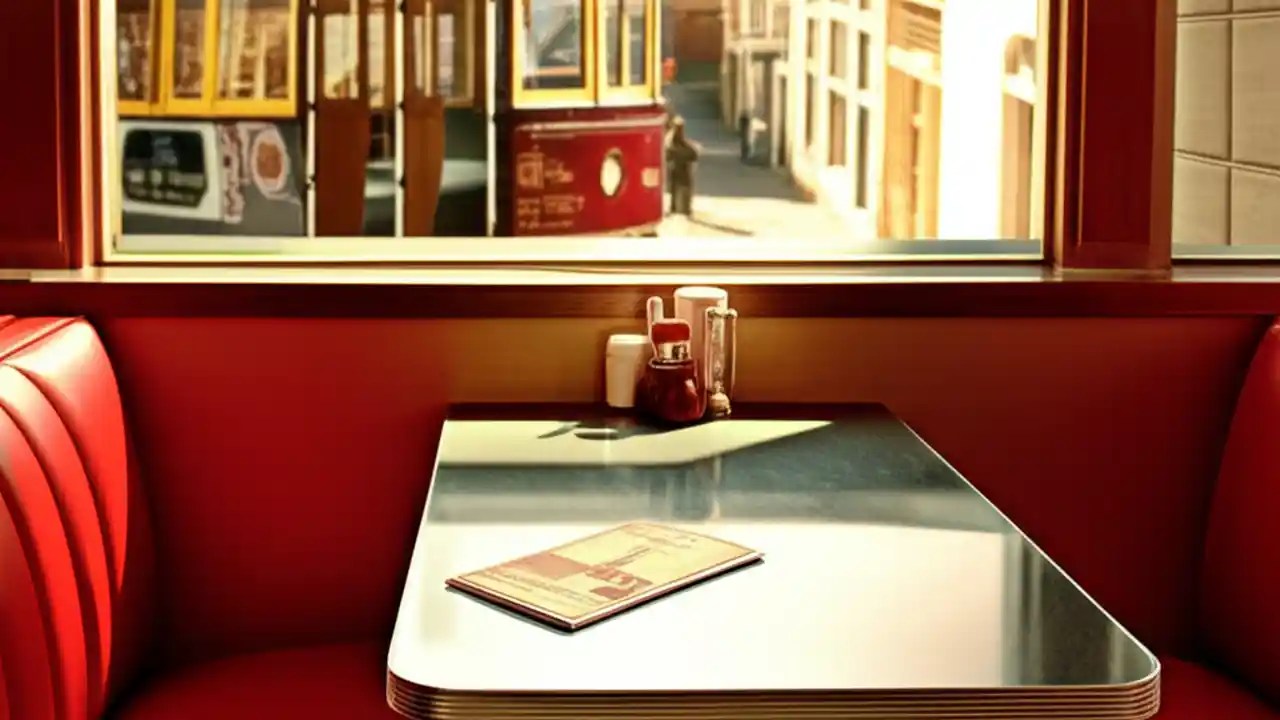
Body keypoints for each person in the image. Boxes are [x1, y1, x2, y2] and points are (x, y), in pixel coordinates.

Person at [666, 115, 701, 217]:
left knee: (679, 187)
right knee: (681, 187)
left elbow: (671, 150)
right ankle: (681, 208)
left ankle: (680, 208)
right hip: (680, 166)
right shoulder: (673, 139)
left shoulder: (673, 139)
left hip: (680, 166)